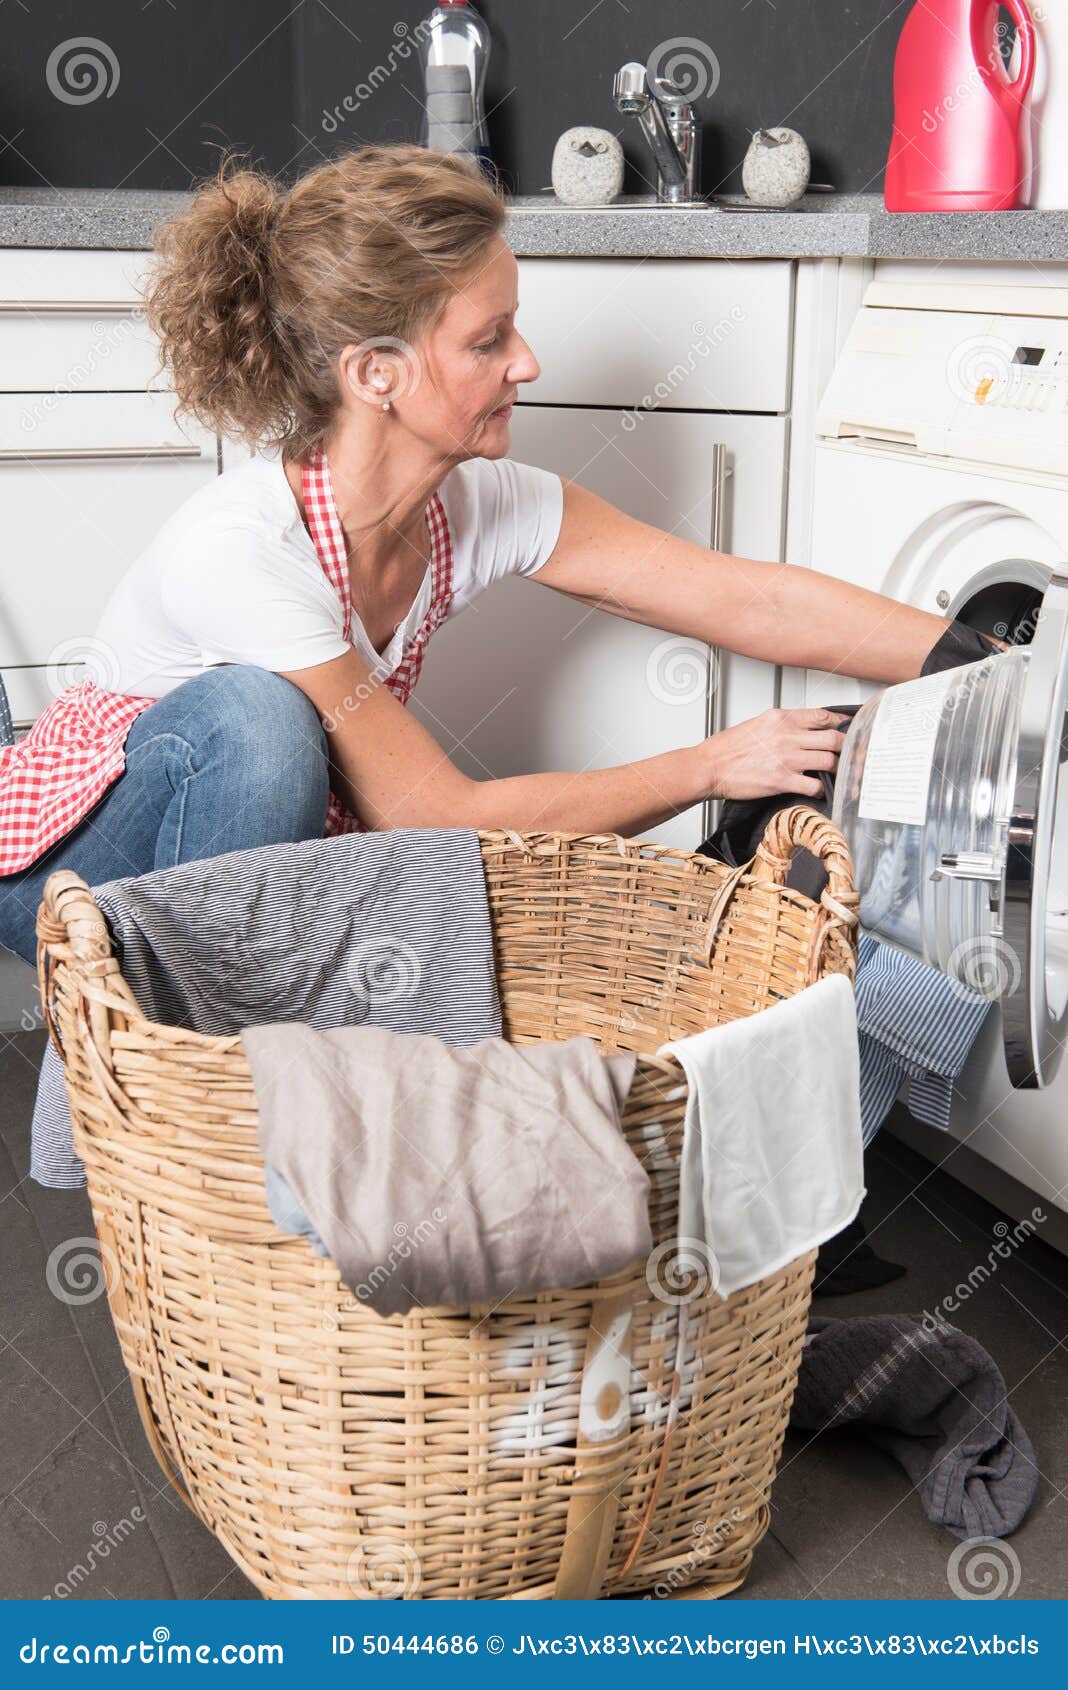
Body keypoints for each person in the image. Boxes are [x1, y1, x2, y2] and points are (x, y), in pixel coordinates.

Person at [0, 143, 960, 966]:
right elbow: (438, 813)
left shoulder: (476, 504)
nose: (527, 362)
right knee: (262, 719)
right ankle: (168, 1075)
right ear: (376, 373)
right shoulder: (245, 552)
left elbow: (753, 603)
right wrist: (710, 766)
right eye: (488, 339)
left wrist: (984, 663)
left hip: (242, 867)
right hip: (65, 869)